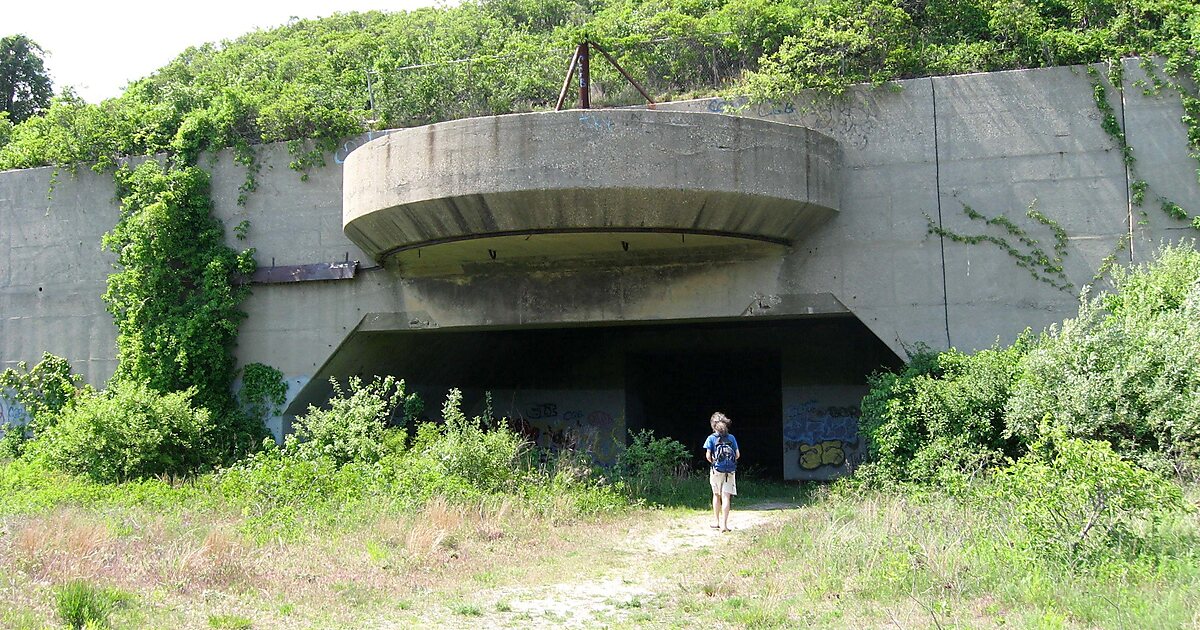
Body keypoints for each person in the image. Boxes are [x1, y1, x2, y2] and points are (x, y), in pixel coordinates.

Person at [703, 412, 740, 532]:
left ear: (713, 426)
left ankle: (716, 521)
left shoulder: (711, 438)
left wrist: (715, 462)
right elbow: (738, 455)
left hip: (716, 470)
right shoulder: (731, 438)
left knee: (716, 495)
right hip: (729, 471)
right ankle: (724, 525)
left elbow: (708, 455)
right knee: (726, 497)